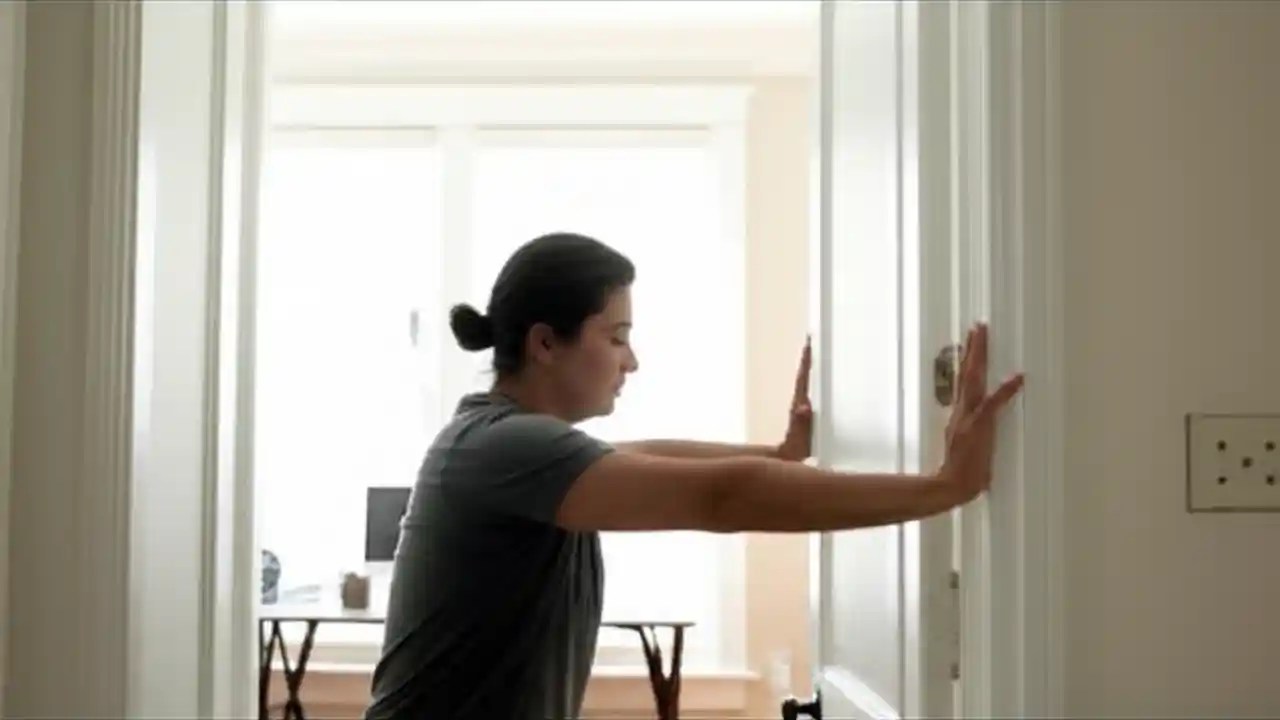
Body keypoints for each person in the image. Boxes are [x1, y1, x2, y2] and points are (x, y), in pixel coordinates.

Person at [365, 232, 1024, 720]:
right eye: (617, 336)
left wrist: (780, 454)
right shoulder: (500, 446)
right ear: (545, 343)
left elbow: (649, 456)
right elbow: (720, 496)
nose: (633, 361)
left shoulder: (503, 444)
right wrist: (946, 488)